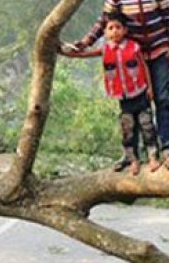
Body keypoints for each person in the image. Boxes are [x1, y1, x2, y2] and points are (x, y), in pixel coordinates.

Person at [63, 0, 169, 170]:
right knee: (133, 106)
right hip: (133, 58)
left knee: (163, 99)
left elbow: (168, 18)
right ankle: (133, 155)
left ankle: (167, 150)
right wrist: (86, 42)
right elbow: (105, 21)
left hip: (158, 51)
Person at [58, 13, 159, 175]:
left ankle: (153, 156)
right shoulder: (105, 50)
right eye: (110, 28)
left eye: (118, 27)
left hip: (139, 92)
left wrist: (150, 87)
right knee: (128, 129)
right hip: (123, 98)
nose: (114, 31)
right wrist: (65, 52)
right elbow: (84, 54)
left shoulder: (134, 47)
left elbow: (144, 66)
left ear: (125, 30)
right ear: (105, 32)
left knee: (147, 125)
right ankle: (134, 160)